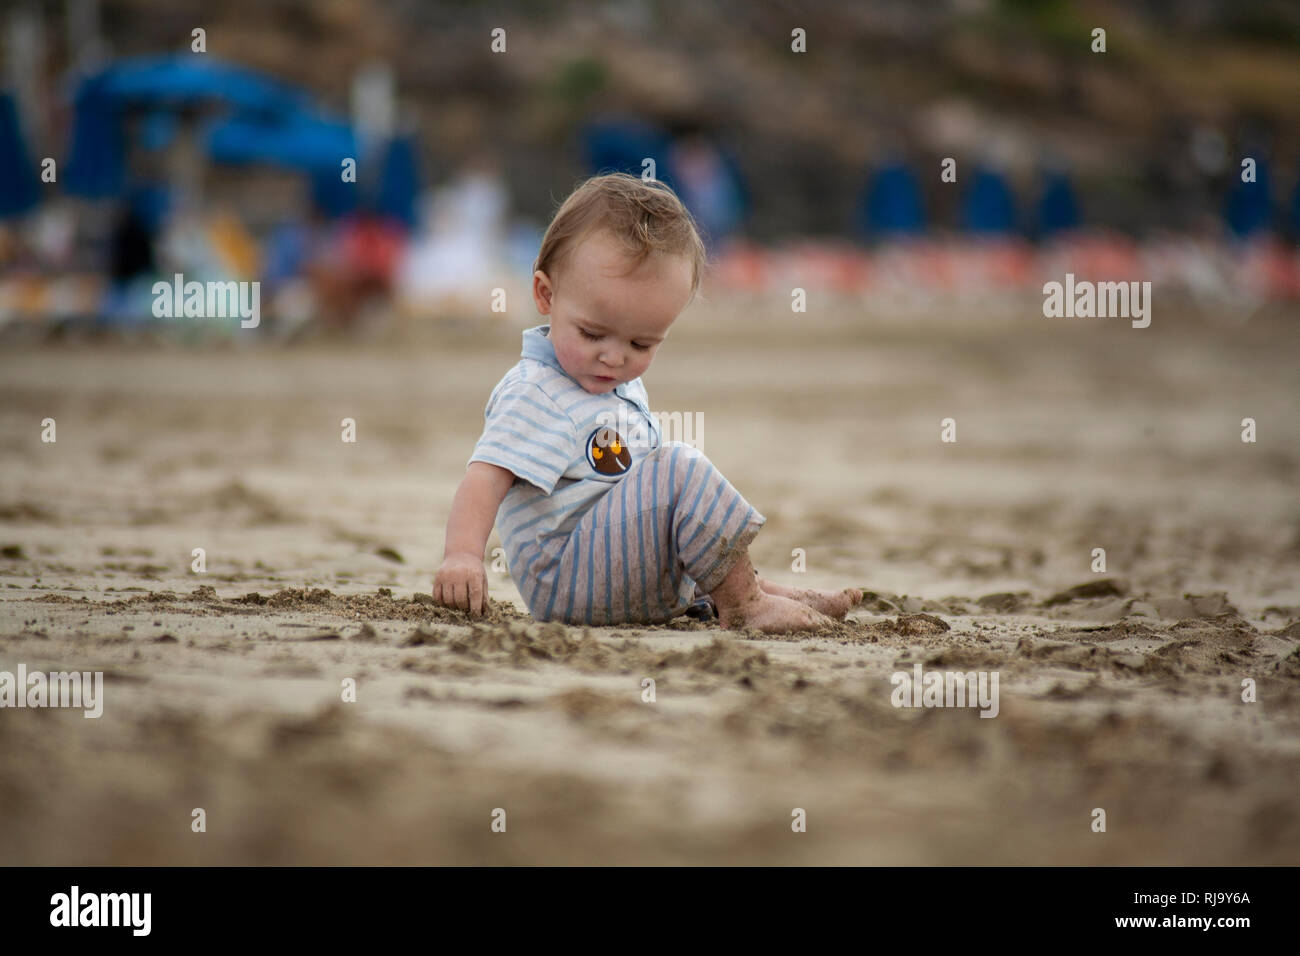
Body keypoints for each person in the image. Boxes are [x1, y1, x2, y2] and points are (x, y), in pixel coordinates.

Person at [432, 173, 862, 632]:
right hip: (568, 580)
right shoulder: (536, 391)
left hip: (617, 562)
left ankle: (754, 586)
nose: (614, 356)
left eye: (641, 343)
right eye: (593, 333)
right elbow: (485, 476)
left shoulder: (612, 383)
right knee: (677, 468)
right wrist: (462, 556)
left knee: (670, 489)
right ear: (545, 295)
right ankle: (745, 605)